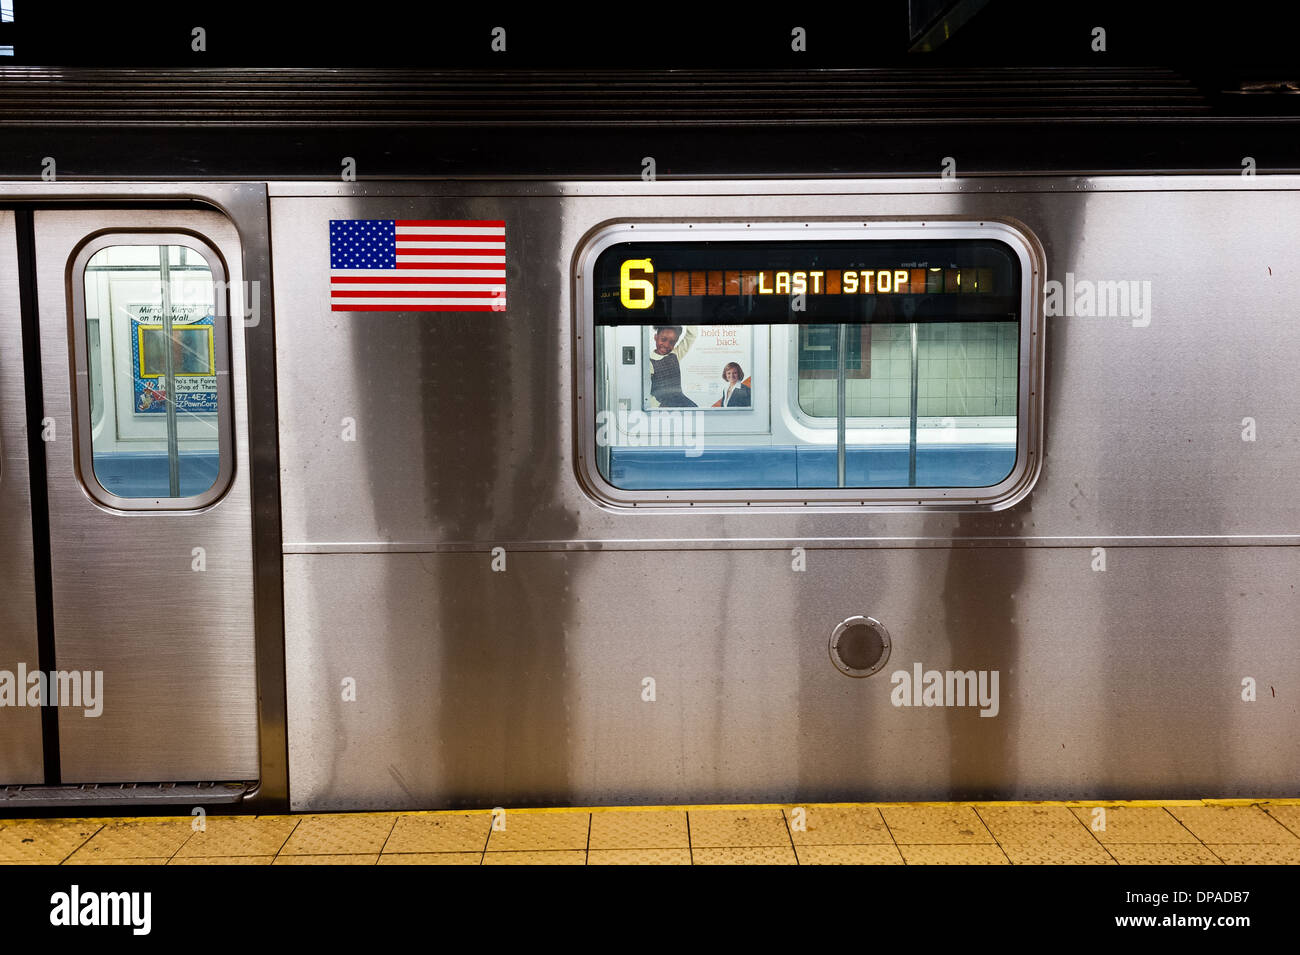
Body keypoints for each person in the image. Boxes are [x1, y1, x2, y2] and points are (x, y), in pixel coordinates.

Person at [648, 324, 698, 408]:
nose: (666, 345)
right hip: (662, 406)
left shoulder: (675, 355)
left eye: (672, 342)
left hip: (681, 400)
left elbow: (692, 335)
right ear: (656, 337)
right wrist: (658, 406)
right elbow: (646, 393)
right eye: (663, 339)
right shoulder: (649, 363)